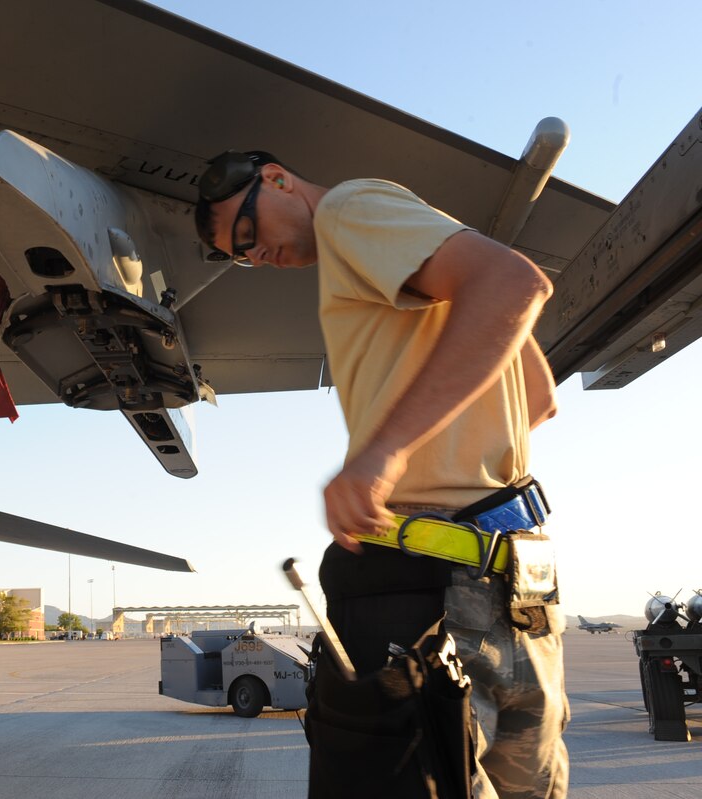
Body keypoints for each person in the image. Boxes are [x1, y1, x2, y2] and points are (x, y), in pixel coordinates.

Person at [194, 151, 567, 799]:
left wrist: (384, 452)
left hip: (430, 584)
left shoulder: (346, 208)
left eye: (248, 232)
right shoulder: (419, 256)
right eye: (241, 256)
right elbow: (538, 397)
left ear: (278, 179)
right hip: (514, 576)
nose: (257, 255)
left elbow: (516, 283)